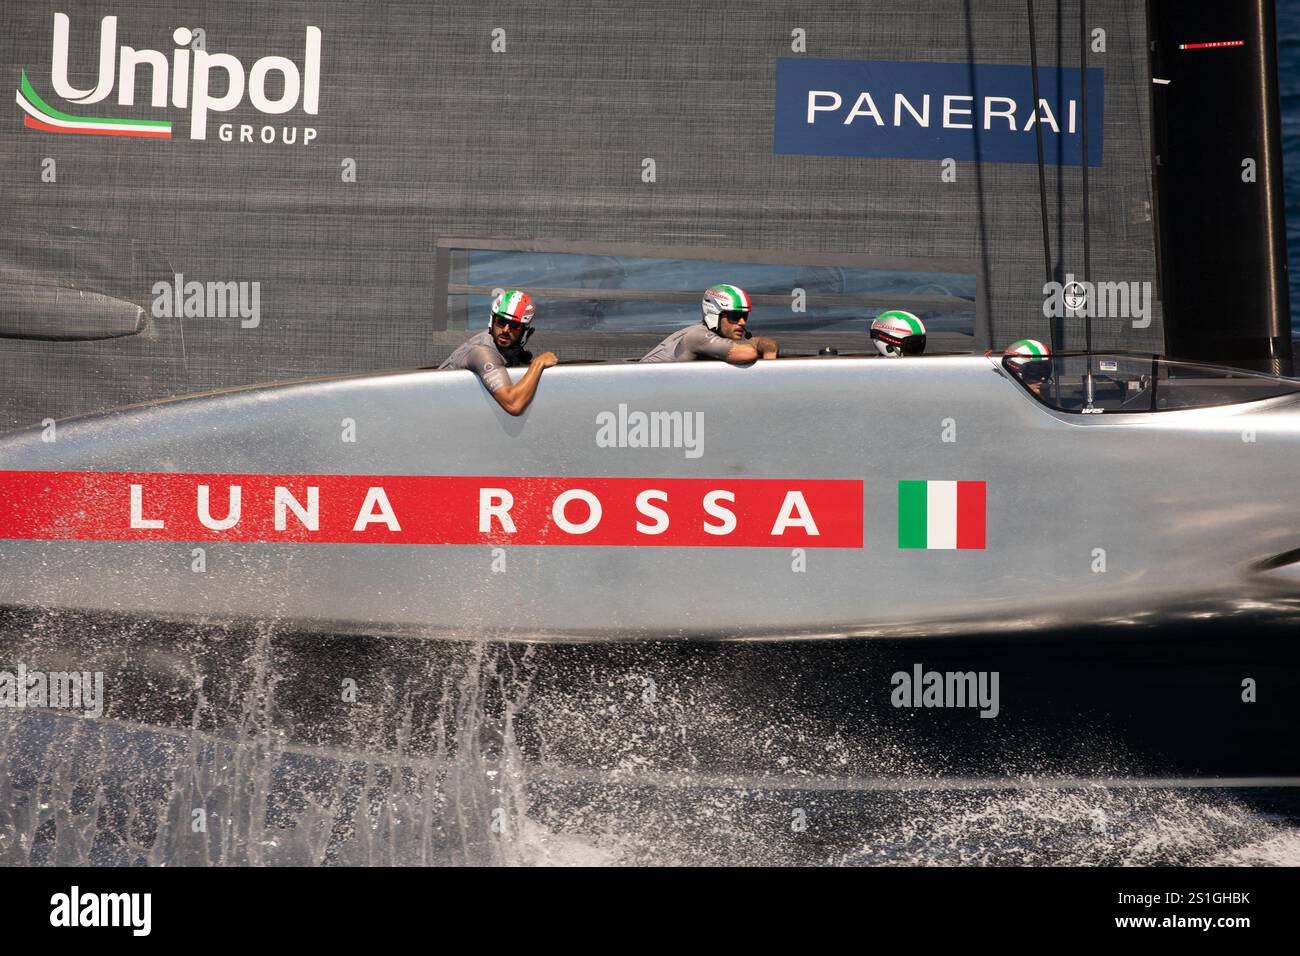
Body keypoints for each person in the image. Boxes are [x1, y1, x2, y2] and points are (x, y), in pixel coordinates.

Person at [439, 289, 558, 416]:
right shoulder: (482, 352)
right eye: (501, 322)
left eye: (514, 325)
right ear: (492, 321)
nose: (506, 330)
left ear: (525, 331)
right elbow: (514, 405)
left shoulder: (512, 350)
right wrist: (538, 364)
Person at [639, 284, 778, 363]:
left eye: (744, 316)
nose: (742, 322)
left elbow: (765, 344)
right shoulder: (697, 336)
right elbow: (747, 353)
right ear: (714, 314)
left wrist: (768, 349)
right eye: (735, 316)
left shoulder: (703, 335)